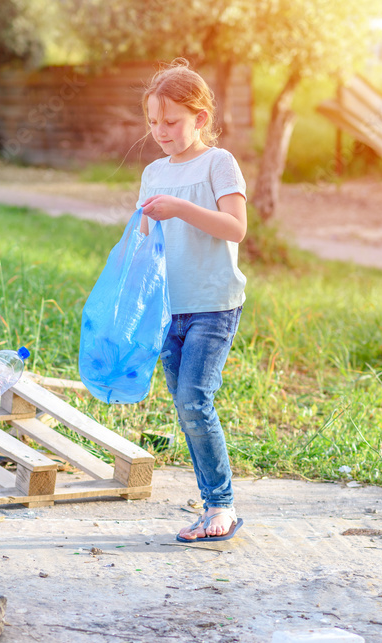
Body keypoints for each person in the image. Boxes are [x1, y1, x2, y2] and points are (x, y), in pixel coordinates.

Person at [136, 59, 247, 543]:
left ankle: (221, 504)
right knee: (186, 407)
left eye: (172, 121)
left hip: (213, 304)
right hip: (168, 307)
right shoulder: (152, 171)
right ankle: (210, 502)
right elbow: (145, 242)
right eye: (153, 122)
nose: (161, 131)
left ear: (200, 118)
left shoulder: (218, 163)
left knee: (194, 399)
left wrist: (180, 207)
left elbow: (235, 227)